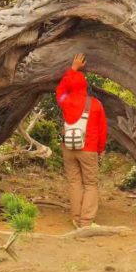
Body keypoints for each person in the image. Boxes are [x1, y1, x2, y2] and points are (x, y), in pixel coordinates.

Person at [55, 52, 107, 228]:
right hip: (89, 148)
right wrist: (100, 149)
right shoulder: (95, 104)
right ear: (85, 86)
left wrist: (73, 69)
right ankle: (86, 222)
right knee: (90, 184)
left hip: (69, 149)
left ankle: (76, 219)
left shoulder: (65, 100)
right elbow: (102, 130)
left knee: (74, 182)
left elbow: (60, 91)